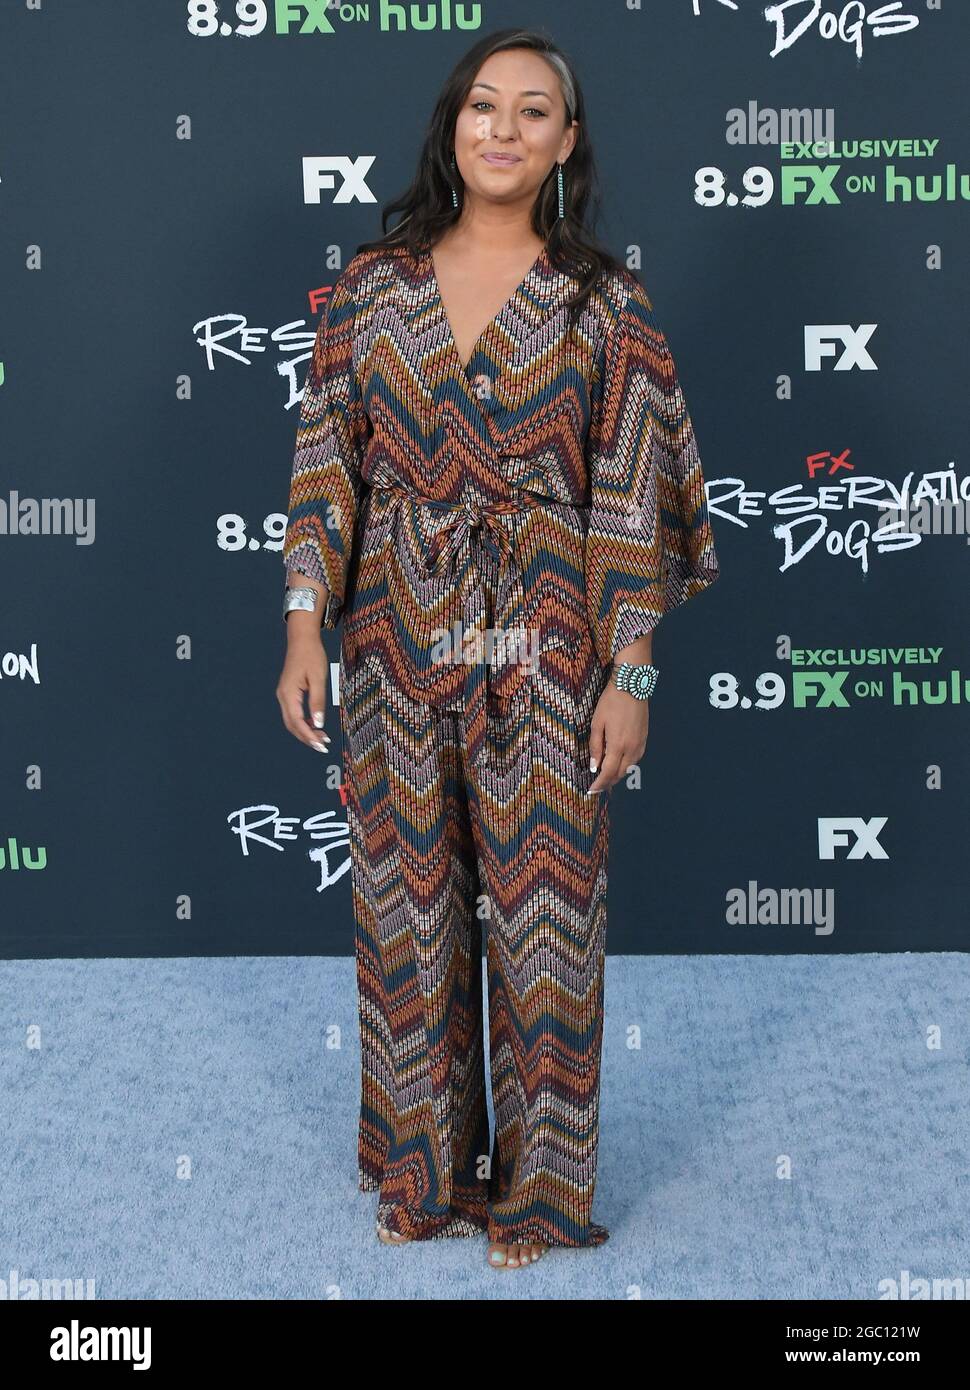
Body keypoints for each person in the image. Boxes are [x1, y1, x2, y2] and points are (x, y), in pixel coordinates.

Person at [276, 27, 720, 1271]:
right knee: (408, 920)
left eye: (534, 111)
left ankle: (539, 1195)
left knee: (546, 926)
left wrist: (631, 675)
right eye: (484, 106)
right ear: (451, 127)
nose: (504, 129)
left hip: (549, 654)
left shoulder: (603, 305)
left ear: (566, 142)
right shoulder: (372, 288)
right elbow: (326, 467)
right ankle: (422, 1173)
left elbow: (632, 507)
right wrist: (304, 621)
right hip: (394, 646)